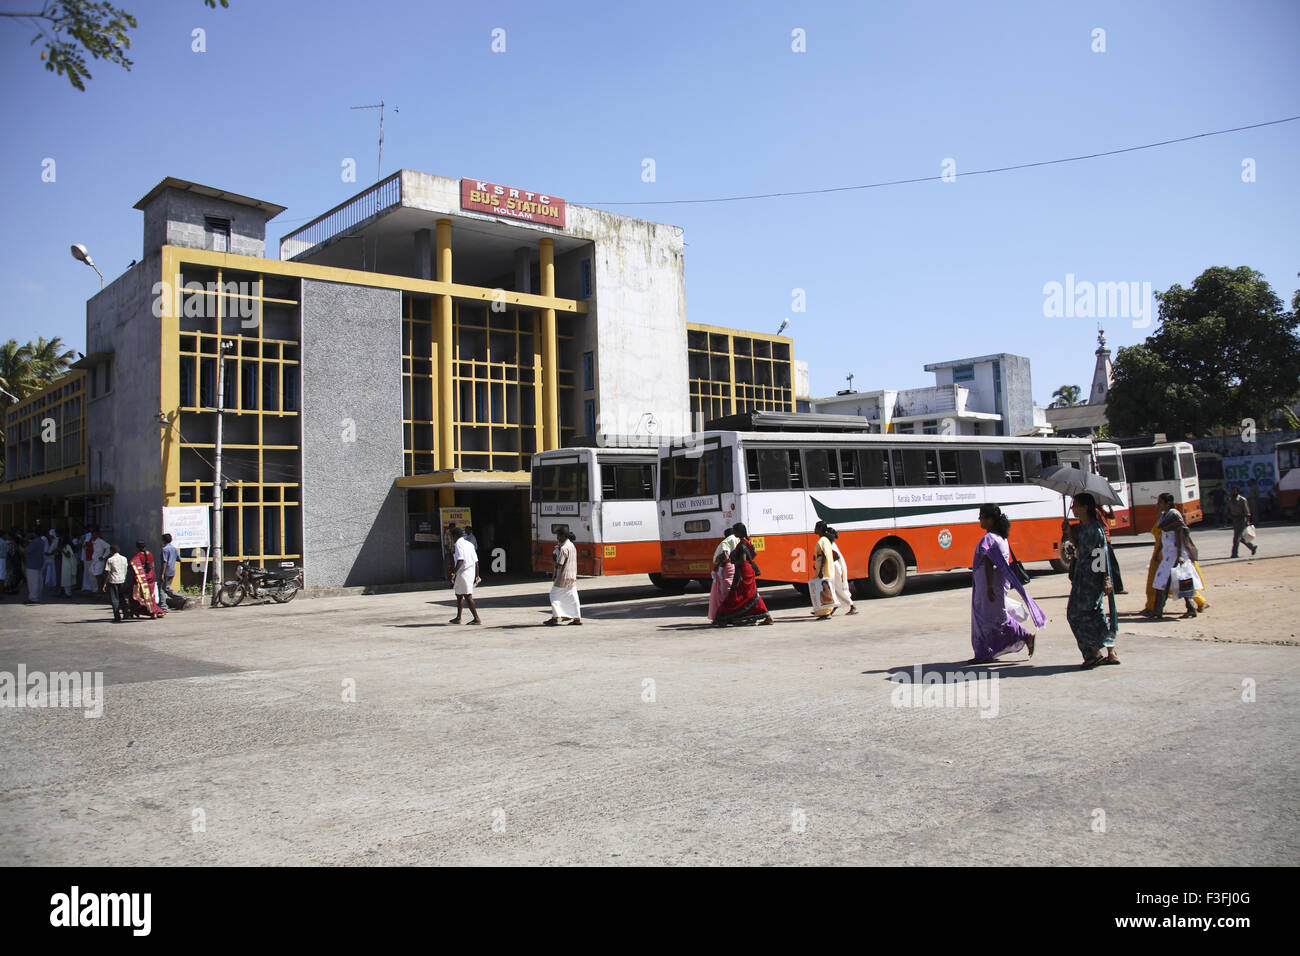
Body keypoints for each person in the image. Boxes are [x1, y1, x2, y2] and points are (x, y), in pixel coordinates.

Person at [970, 503, 1046, 663]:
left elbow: (989, 563)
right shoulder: (1000, 537)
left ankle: (1025, 636)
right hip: (993, 583)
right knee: (985, 618)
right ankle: (985, 653)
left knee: (995, 618)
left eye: (982, 516)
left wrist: (989, 587)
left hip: (990, 585)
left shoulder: (990, 538)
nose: (979, 519)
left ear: (990, 519)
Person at [1062, 493, 1119, 669]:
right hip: (1081, 577)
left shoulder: (1095, 529)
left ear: (1085, 507)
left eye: (1076, 505)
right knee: (1091, 614)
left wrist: (1106, 579)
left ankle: (1097, 652)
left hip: (1091, 579)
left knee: (1079, 614)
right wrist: (1069, 533)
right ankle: (1103, 651)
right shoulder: (1083, 527)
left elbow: (1100, 555)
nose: (1073, 508)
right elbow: (1080, 548)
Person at [713, 522, 773, 627]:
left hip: (743, 571)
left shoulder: (741, 544)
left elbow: (742, 560)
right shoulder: (747, 541)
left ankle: (723, 616)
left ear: (738, 532)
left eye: (735, 530)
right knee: (750, 594)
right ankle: (765, 615)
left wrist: (732, 562)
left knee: (736, 594)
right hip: (748, 570)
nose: (734, 532)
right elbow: (754, 554)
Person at [1150, 497, 1202, 619]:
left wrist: (1179, 555)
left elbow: (1179, 536)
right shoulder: (1164, 516)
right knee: (1161, 582)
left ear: (1167, 503)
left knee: (1181, 581)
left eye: (1160, 502)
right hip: (1168, 555)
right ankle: (1158, 610)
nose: (1158, 504)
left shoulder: (1174, 515)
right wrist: (1158, 552)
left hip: (1176, 555)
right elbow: (1163, 537)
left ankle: (1190, 608)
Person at [546, 530, 582, 625]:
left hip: (563, 576)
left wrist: (554, 574)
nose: (557, 538)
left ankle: (555, 617)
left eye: (559, 536)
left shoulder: (563, 548)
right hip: (572, 575)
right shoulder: (572, 546)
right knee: (572, 596)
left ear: (563, 536)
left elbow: (559, 563)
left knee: (554, 595)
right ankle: (577, 618)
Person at [448, 528, 481, 625]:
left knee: (467, 595)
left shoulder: (458, 544)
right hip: (470, 570)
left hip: (463, 572)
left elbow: (460, 560)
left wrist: (454, 573)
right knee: (458, 594)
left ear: (454, 536)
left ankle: (476, 618)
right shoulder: (469, 544)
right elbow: (476, 562)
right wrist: (477, 575)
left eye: (451, 537)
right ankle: (458, 618)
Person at [707, 525, 740, 622]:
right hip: (733, 567)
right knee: (730, 592)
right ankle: (731, 614)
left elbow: (725, 556)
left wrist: (718, 567)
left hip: (727, 568)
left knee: (722, 594)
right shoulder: (738, 541)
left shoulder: (727, 542)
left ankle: (723, 615)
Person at [126, 540, 166, 619]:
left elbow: (132, 566)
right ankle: (154, 612)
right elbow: (152, 565)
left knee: (136, 595)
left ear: (137, 547)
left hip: (142, 578)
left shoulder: (137, 556)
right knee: (150, 595)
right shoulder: (150, 554)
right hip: (151, 576)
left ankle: (137, 610)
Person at [810, 521, 838, 619]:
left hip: (824, 569)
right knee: (824, 590)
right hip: (824, 567)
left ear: (820, 529)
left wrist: (821, 570)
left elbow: (824, 556)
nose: (814, 529)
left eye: (816, 527)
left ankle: (825, 613)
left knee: (824, 590)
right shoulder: (825, 540)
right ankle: (825, 611)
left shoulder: (822, 540)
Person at [826, 528, 857, 615]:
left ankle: (852, 605)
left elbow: (836, 557)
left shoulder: (831, 546)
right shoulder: (832, 544)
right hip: (834, 569)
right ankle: (832, 607)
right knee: (834, 589)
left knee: (839, 589)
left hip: (835, 570)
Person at [1227, 485, 1258, 558]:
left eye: (1235, 490)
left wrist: (1247, 521)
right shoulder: (1229, 500)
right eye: (1232, 490)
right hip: (1235, 520)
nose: (1233, 492)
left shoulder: (1242, 500)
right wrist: (1230, 516)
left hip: (1242, 519)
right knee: (1240, 538)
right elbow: (1228, 510)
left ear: (1238, 491)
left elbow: (1247, 512)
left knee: (1236, 538)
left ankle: (1234, 553)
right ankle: (1252, 547)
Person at [103, 544, 129, 623]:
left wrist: (104, 583)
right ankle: (125, 613)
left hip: (113, 580)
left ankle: (117, 616)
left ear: (111, 551)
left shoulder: (110, 560)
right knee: (122, 598)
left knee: (114, 599)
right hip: (122, 580)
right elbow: (126, 569)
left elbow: (108, 572)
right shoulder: (124, 559)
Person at [159, 534, 181, 604]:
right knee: (166, 588)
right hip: (172, 570)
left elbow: (164, 562)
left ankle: (163, 606)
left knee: (162, 589)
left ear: (164, 540)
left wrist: (162, 574)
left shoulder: (165, 549)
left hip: (166, 571)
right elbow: (179, 559)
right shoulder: (174, 549)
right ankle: (180, 597)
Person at [24, 532, 46, 603]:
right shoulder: (41, 542)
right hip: (39, 563)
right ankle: (38, 596)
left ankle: (33, 598)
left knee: (33, 582)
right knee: (39, 582)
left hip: (31, 564)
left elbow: (26, 551)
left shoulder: (34, 542)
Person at [91, 528, 111, 595]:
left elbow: (108, 547)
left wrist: (103, 556)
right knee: (94, 575)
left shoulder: (100, 541)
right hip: (94, 561)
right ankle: (97, 590)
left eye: (94, 534)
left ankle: (100, 591)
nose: (93, 535)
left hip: (99, 561)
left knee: (98, 576)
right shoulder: (92, 541)